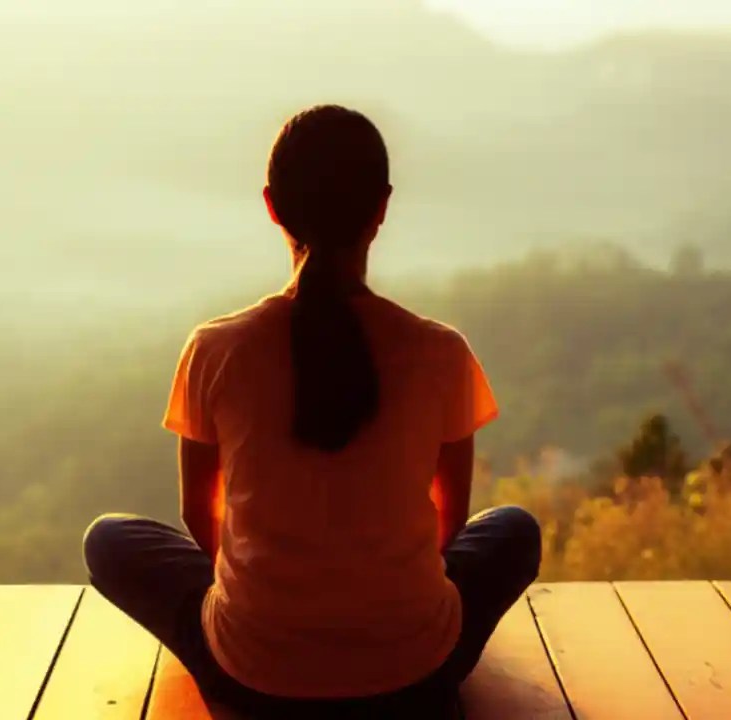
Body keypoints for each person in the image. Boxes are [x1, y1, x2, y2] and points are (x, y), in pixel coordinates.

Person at [83, 105, 541, 719]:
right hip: (415, 672)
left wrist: (272, 593)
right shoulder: (441, 351)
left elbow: (200, 516)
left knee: (111, 540)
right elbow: (450, 524)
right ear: (381, 208)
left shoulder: (214, 349)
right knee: (513, 530)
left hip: (252, 674)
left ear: (272, 206)